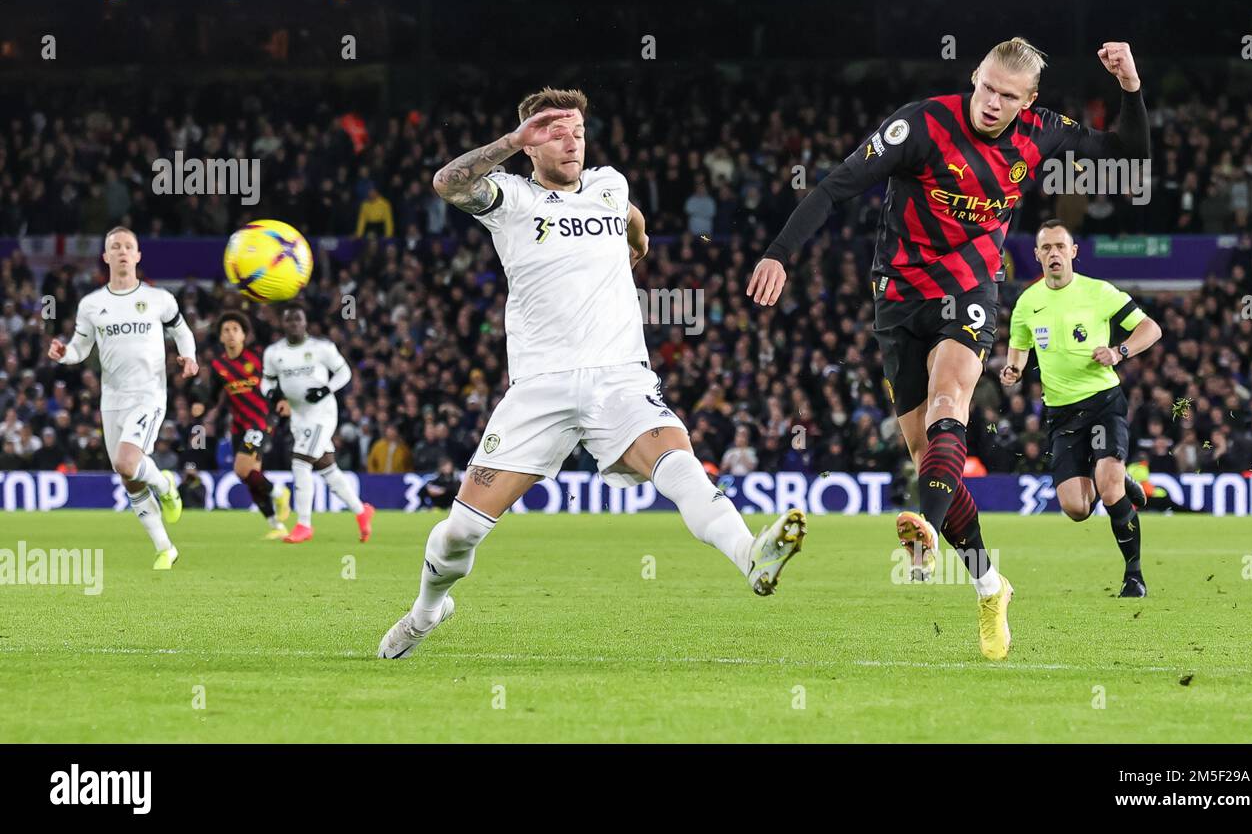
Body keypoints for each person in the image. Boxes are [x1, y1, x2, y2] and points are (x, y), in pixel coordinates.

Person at [748, 38, 1150, 659]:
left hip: (970, 287)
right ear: (975, 76)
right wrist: (779, 251)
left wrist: (1128, 86)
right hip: (899, 295)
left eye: (1008, 96)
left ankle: (925, 531)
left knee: (949, 396)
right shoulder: (920, 125)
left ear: (1029, 101)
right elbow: (833, 188)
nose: (992, 103)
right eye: (986, 87)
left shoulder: (1039, 133)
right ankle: (991, 586)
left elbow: (1129, 151)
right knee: (924, 452)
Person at [378, 87, 806, 660]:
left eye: (576, 128)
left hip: (619, 379)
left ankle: (751, 557)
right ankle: (428, 610)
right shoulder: (510, 199)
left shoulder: (610, 184)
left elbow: (628, 215)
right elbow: (447, 184)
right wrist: (507, 143)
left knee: (680, 466)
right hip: (541, 388)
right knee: (462, 533)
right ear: (530, 142)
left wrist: (639, 241)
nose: (570, 138)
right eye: (553, 130)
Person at [1002, 220, 1161, 597]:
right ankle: (1119, 478)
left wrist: (1119, 351)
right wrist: (1015, 368)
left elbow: (1150, 329)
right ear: (1037, 254)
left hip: (1103, 403)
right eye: (1047, 248)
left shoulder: (1099, 292)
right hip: (1060, 414)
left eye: (1061, 246)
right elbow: (1019, 344)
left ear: (1073, 252)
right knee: (1075, 508)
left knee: (1107, 491)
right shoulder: (1028, 302)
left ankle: (1134, 575)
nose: (1054, 253)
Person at [46, 226, 197, 569]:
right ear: (106, 256)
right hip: (112, 398)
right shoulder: (92, 304)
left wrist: (190, 356)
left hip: (148, 393)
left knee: (128, 462)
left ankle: (166, 485)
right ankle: (165, 548)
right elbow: (80, 349)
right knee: (126, 475)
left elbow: (182, 331)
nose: (123, 251)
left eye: (129, 246)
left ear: (138, 255)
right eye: (116, 246)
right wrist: (63, 353)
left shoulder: (160, 299)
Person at [261, 302, 374, 544]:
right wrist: (273, 395)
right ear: (283, 323)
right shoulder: (274, 353)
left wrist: (325, 390)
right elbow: (267, 381)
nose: (293, 324)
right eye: (289, 320)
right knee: (327, 469)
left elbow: (344, 373)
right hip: (298, 415)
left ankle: (304, 524)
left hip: (322, 413)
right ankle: (362, 511)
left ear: (305, 323)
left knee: (300, 462)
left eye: (298, 319)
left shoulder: (322, 348)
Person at [193, 311, 291, 538]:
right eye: (225, 331)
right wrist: (202, 406)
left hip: (262, 421)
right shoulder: (219, 366)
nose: (230, 335)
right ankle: (276, 525)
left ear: (244, 335)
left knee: (241, 468)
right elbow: (214, 395)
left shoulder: (258, 358)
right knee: (250, 477)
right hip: (239, 426)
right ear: (220, 337)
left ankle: (279, 492)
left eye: (235, 330)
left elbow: (276, 381)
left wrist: (282, 399)